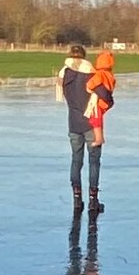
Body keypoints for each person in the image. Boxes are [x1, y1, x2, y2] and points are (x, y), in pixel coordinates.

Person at [55, 42, 95, 209]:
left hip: (73, 121)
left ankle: (76, 197)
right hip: (91, 122)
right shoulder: (92, 73)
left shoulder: (64, 74)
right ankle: (94, 199)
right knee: (94, 161)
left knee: (76, 160)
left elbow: (60, 95)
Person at [83, 48, 117, 213]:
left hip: (98, 103)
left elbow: (90, 85)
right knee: (98, 119)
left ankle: (99, 138)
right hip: (104, 103)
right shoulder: (110, 76)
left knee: (95, 120)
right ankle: (99, 136)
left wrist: (90, 89)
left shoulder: (100, 75)